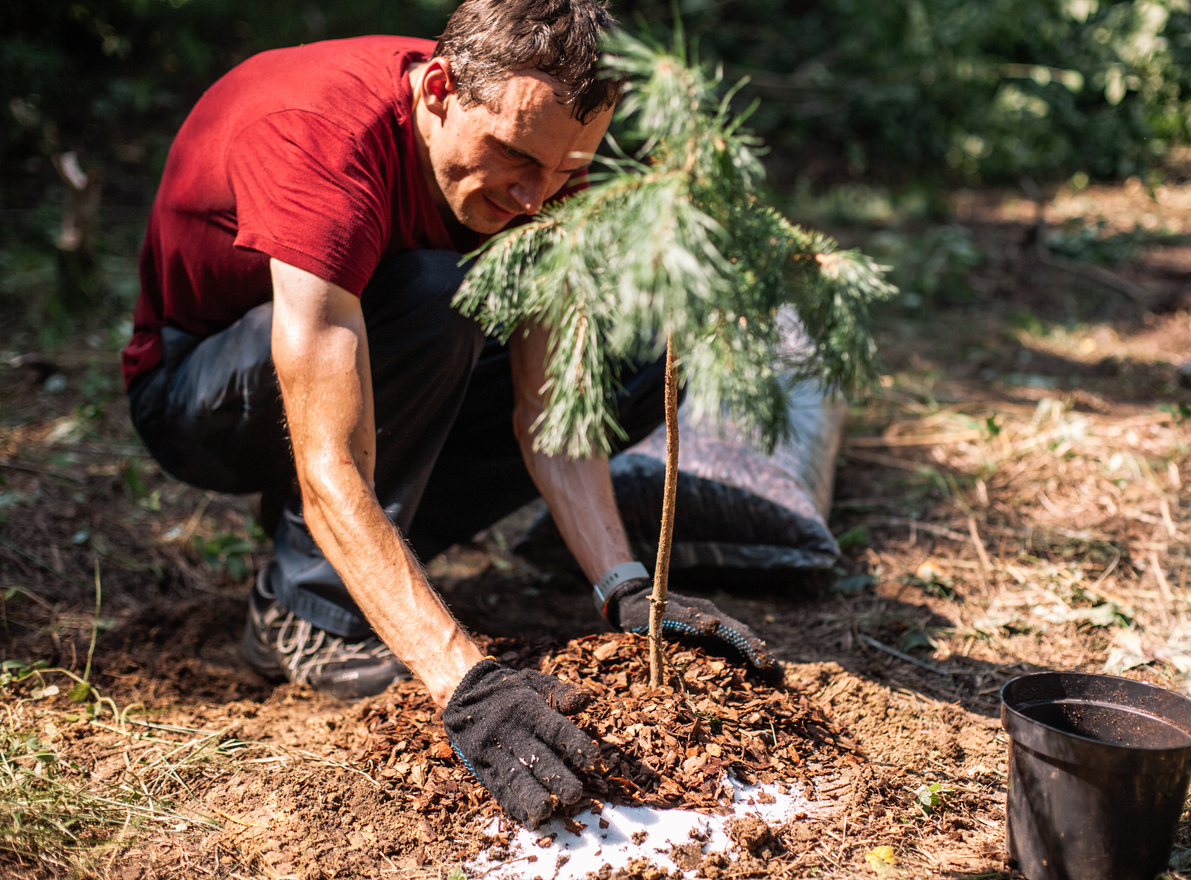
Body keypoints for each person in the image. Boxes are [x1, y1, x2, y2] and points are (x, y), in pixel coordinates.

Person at [122, 0, 775, 827]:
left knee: (630, 365)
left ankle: (362, 561)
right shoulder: (323, 141)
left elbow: (550, 405)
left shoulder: (541, 160)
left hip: (376, 367)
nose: (535, 197)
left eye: (565, 171)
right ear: (437, 90)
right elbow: (327, 461)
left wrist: (624, 590)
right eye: (513, 158)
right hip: (201, 395)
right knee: (439, 294)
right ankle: (305, 612)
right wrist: (466, 683)